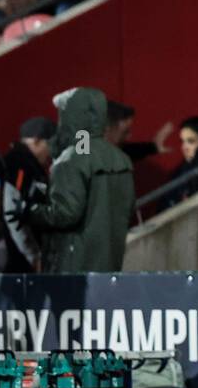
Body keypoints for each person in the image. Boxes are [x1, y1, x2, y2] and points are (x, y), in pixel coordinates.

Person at [24, 87, 135, 272]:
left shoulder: (73, 158)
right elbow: (128, 207)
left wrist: (31, 210)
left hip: (74, 267)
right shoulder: (120, 158)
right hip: (111, 263)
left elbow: (65, 213)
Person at [0, 116, 55, 273]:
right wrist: (33, 255)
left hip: (16, 257)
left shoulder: (22, 164)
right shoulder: (19, 164)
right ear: (36, 141)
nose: (51, 152)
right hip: (16, 262)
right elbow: (11, 211)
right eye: (49, 144)